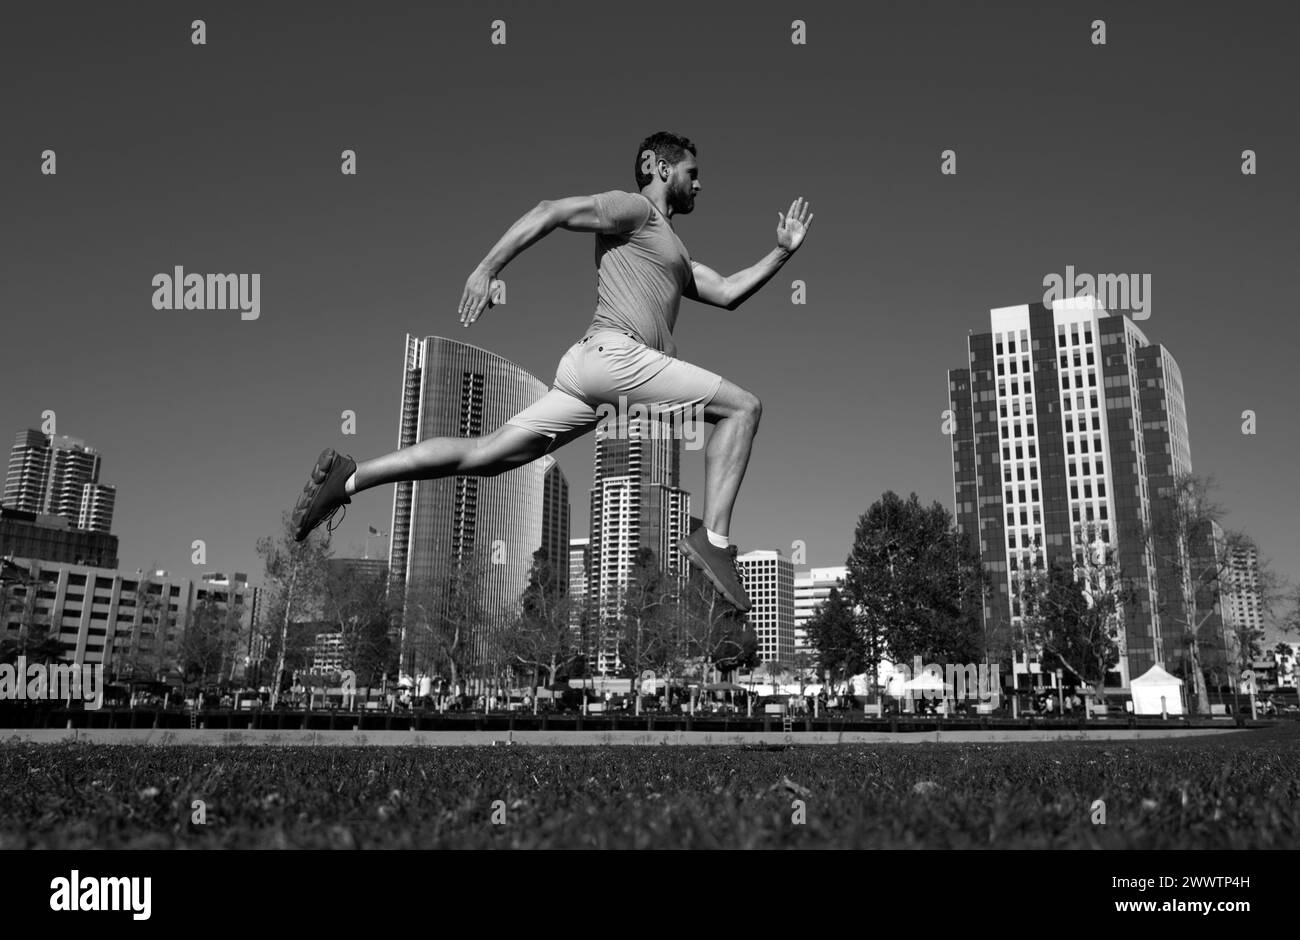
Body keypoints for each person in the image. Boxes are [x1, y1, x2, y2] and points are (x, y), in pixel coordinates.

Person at [288, 132, 813, 612]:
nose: (700, 182)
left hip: (586, 375)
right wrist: (486, 268)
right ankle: (714, 544)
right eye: (691, 172)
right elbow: (551, 210)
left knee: (485, 456)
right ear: (656, 166)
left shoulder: (674, 252)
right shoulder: (635, 210)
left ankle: (351, 479)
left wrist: (782, 253)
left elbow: (726, 292)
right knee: (744, 407)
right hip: (615, 358)